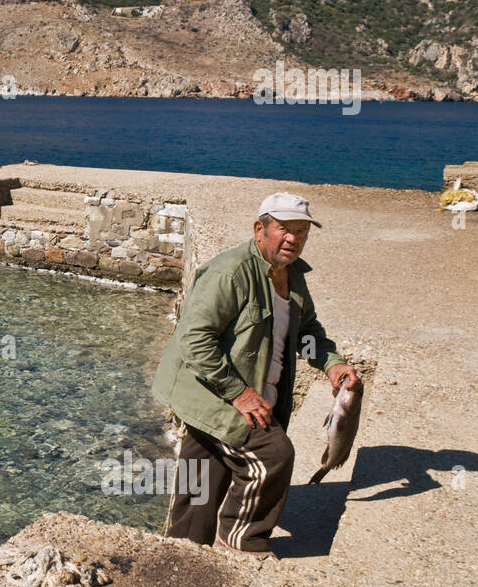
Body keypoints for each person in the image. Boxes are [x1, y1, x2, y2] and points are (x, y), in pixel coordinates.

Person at [152, 193, 359, 558]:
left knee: (199, 484)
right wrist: (239, 393)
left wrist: (331, 363)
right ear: (259, 229)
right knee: (274, 455)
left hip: (234, 390)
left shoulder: (293, 276)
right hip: (209, 392)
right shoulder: (229, 272)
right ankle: (241, 543)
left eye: (301, 231)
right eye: (284, 229)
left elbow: (306, 331)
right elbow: (194, 340)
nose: (293, 238)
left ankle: (179, 557)